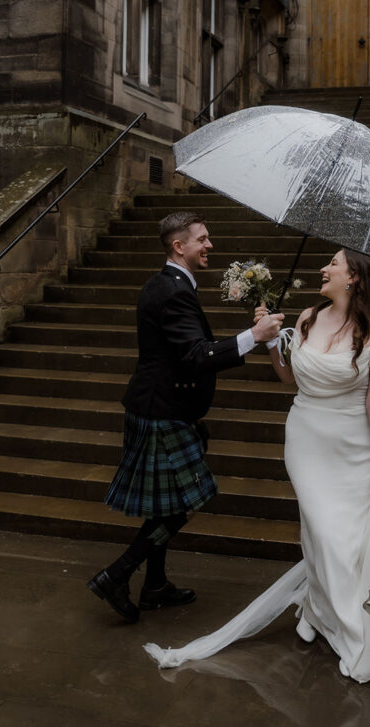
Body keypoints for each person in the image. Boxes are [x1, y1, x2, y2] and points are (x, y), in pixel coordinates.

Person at [144, 249, 370, 684]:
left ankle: (328, 615)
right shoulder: (309, 317)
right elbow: (288, 376)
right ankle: (335, 620)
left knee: (339, 538)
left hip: (353, 447)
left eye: (333, 265)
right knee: (322, 531)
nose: (323, 269)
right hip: (306, 441)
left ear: (354, 279)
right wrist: (273, 341)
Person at [88, 211, 283, 623]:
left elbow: (184, 349)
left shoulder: (167, 285)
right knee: (180, 507)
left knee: (165, 506)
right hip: (162, 411)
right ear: (179, 246)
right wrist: (255, 337)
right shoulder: (174, 291)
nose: (209, 245)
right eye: (202, 239)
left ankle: (155, 586)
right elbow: (195, 356)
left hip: (161, 407)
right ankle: (117, 575)